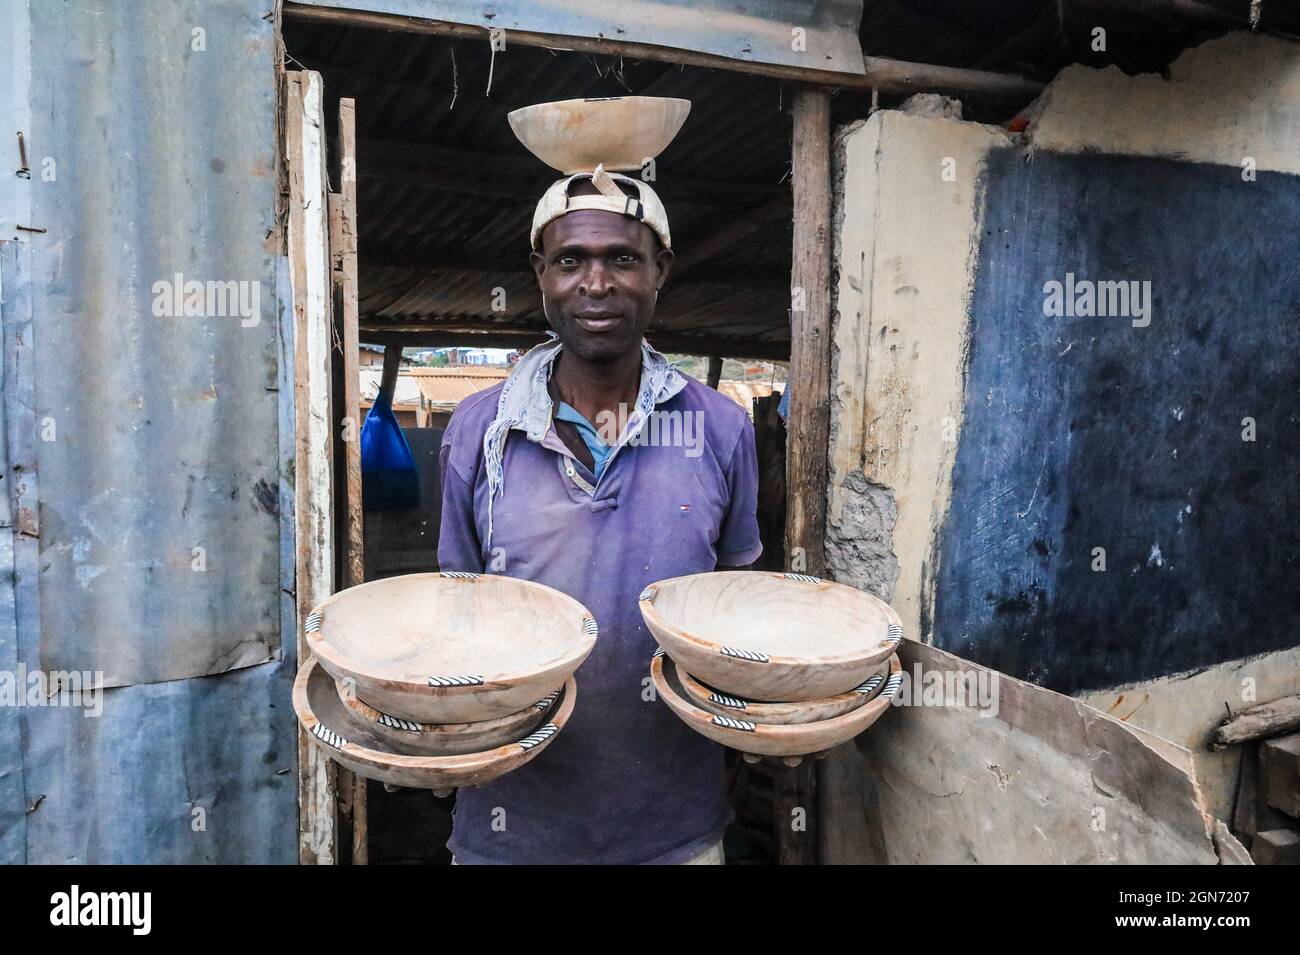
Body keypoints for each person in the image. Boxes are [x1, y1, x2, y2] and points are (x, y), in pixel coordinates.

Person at [437, 165, 763, 864]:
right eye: (570, 260)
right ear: (539, 273)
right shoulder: (478, 430)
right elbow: (456, 613)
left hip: (673, 829)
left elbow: (735, 611)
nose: (596, 284)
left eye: (622, 258)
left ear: (660, 270)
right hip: (510, 827)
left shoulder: (721, 429)